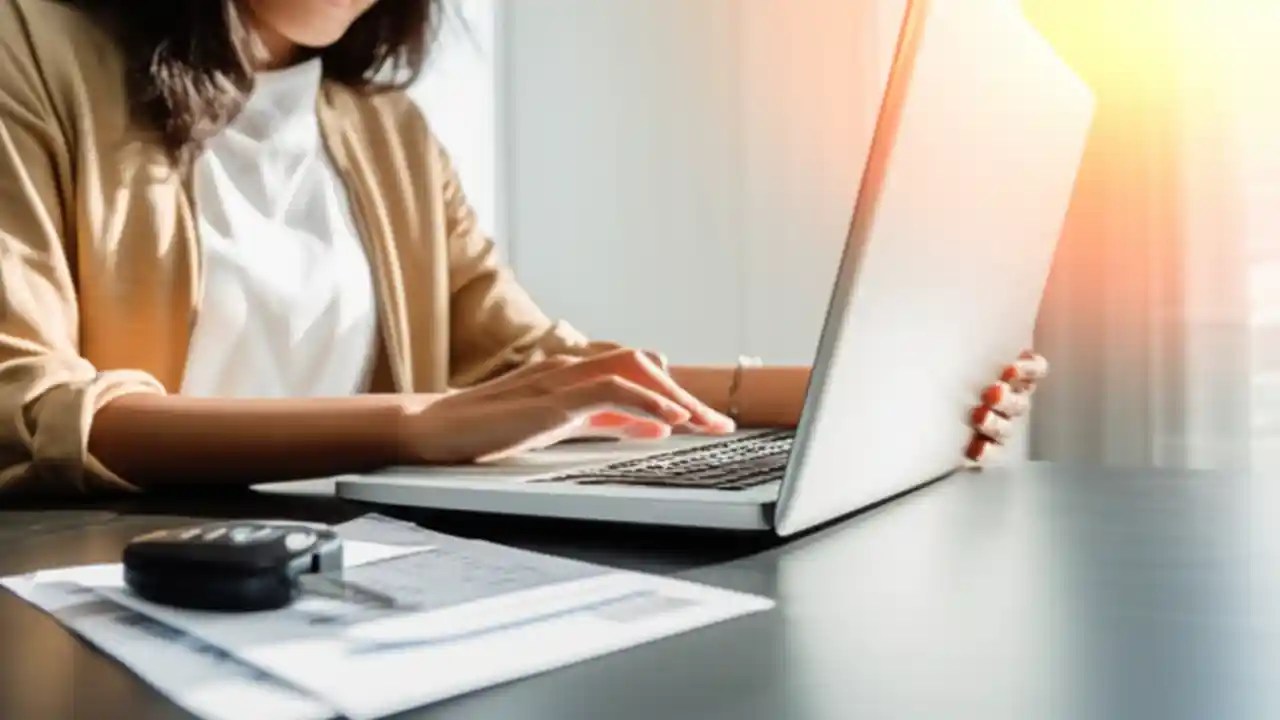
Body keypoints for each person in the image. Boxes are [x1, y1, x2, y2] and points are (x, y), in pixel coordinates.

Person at [0, 0, 1044, 496]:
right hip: (114, 584)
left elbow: (542, 373)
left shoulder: (383, 132)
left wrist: (861, 395)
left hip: (341, 577)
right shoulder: (30, 45)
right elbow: (35, 409)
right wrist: (417, 423)